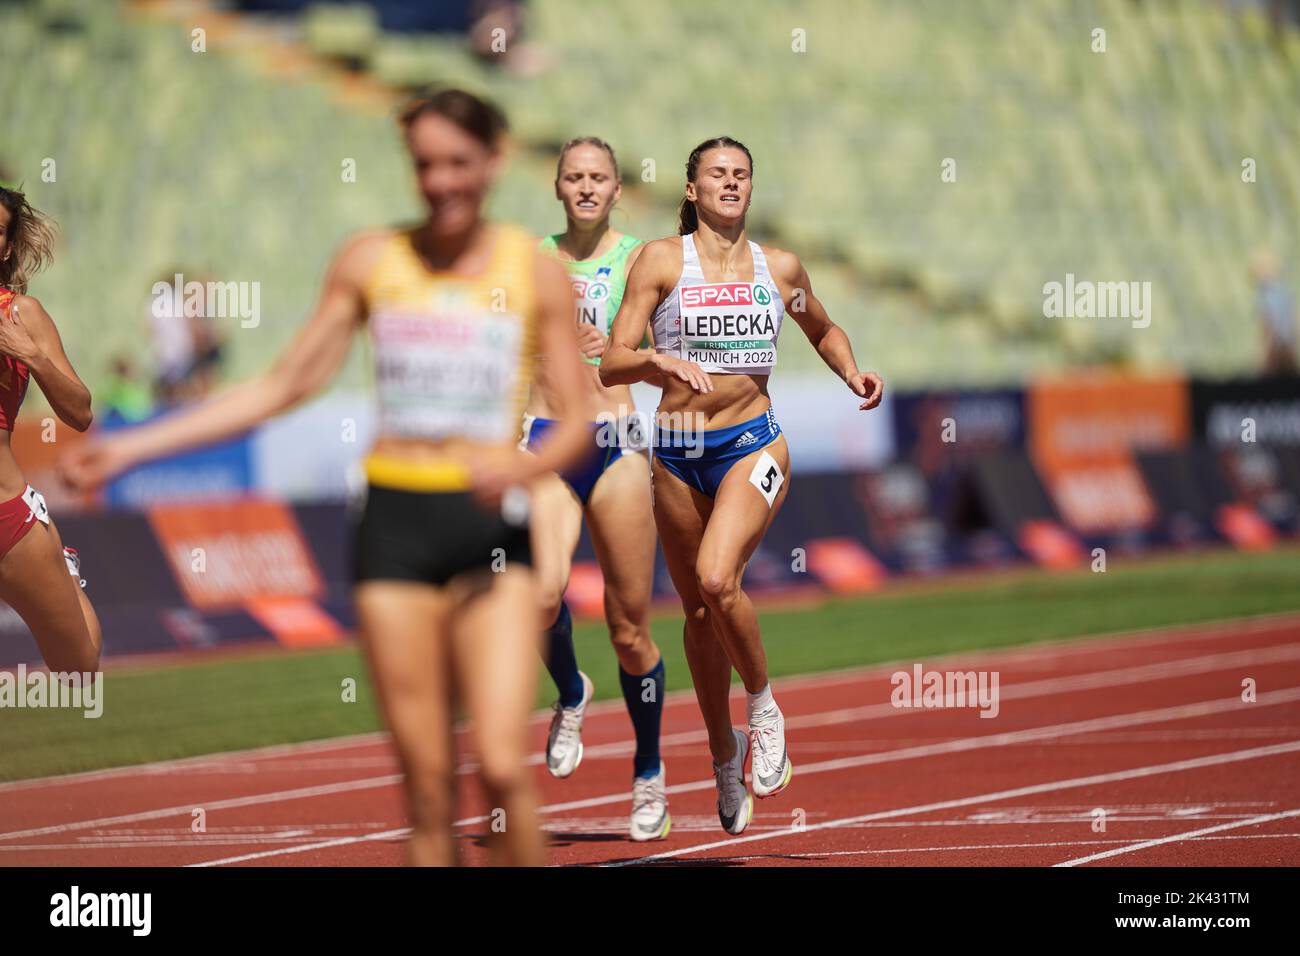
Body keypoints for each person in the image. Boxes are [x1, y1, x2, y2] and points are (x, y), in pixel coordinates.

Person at [59, 88, 591, 867]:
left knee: (506, 770)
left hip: (490, 531)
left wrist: (526, 461)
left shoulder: (533, 273)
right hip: (396, 530)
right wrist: (133, 447)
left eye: (457, 163)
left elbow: (576, 421)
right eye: (424, 166)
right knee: (428, 787)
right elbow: (282, 385)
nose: (441, 181)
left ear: (495, 160)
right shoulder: (372, 260)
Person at [600, 137, 884, 835]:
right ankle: (724, 757)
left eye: (741, 174)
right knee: (698, 614)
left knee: (718, 578)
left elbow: (822, 326)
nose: (730, 183)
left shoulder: (778, 266)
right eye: (716, 174)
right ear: (692, 189)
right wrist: (657, 363)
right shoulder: (660, 261)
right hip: (676, 452)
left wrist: (851, 372)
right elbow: (612, 361)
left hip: (752, 443)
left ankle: (763, 709)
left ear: (750, 189)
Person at [522, 137, 668, 841]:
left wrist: (612, 347)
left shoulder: (640, 258)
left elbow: (658, 359)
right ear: (557, 187)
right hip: (547, 440)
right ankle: (571, 691)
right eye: (574, 177)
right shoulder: (530, 258)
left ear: (617, 190)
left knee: (628, 627)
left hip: (615, 444)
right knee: (541, 592)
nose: (585, 187)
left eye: (598, 178)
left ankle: (648, 773)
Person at [0, 185, 102, 674]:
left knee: (77, 669)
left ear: (7, 247)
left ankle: (63, 567)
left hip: (7, 520)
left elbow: (80, 413)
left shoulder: (21, 314)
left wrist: (32, 355)